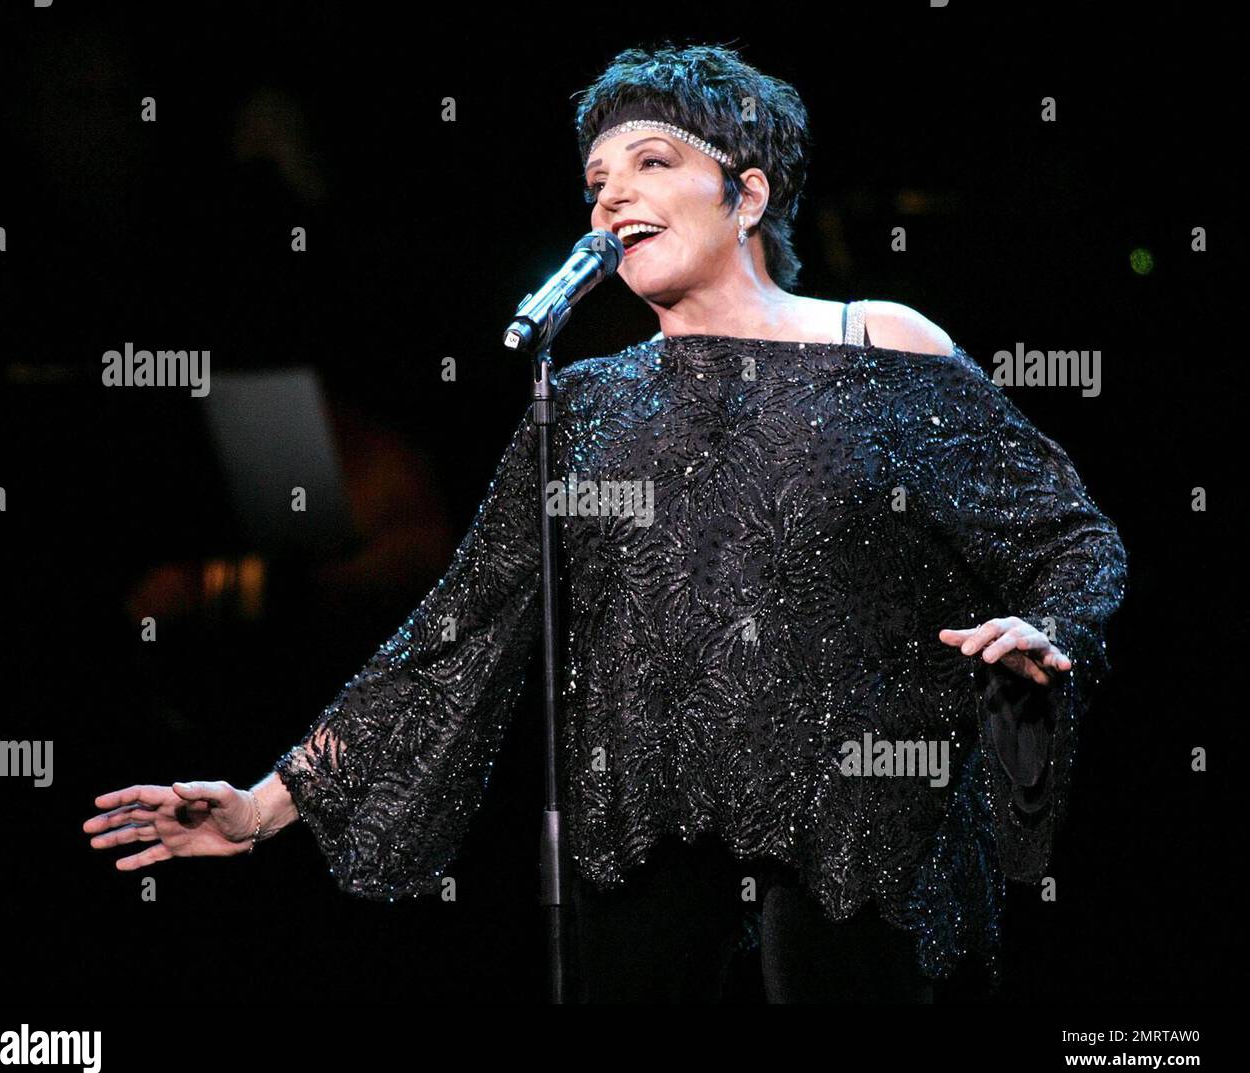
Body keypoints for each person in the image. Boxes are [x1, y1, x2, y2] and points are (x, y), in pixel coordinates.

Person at [84, 43, 1128, 1003]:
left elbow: (1069, 535)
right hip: (643, 851)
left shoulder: (878, 343)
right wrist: (266, 804)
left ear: (747, 191)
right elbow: (461, 625)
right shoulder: (580, 402)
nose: (612, 194)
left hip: (856, 837)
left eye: (651, 162)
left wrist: (1048, 629)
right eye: (595, 183)